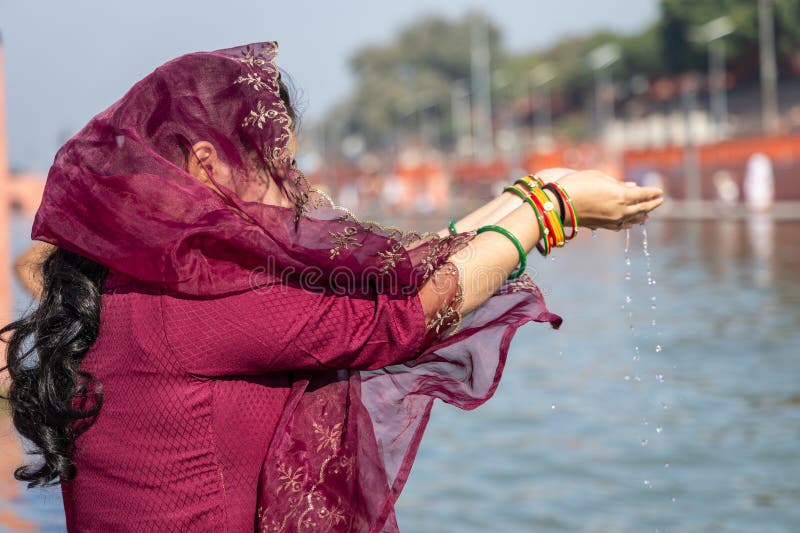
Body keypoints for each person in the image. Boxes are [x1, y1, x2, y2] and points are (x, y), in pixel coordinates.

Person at [1, 42, 663, 532]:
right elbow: (404, 317)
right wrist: (555, 209)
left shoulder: (142, 279)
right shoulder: (198, 300)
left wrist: (533, 194)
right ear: (208, 166)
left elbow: (391, 286)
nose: (295, 184)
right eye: (279, 164)